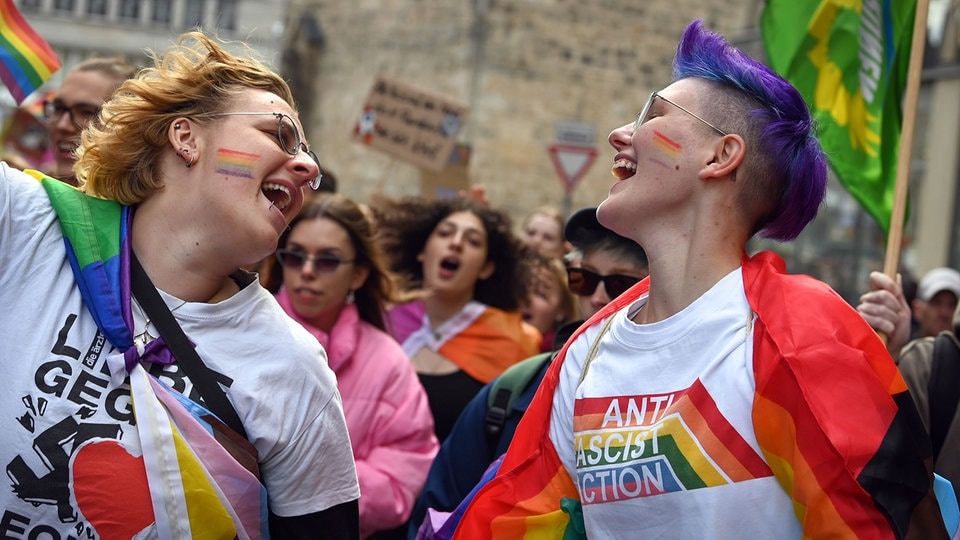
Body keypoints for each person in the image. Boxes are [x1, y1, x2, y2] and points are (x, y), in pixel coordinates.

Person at [448, 20, 947, 539]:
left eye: (652, 114)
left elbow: (880, 525)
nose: (620, 133)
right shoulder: (585, 351)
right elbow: (515, 520)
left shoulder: (805, 332)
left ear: (721, 156)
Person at [0, 31, 360, 538]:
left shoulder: (295, 369)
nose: (308, 167)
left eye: (308, 159)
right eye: (279, 135)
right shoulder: (27, 225)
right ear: (186, 137)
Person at [409, 206, 648, 538]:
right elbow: (439, 505)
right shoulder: (514, 389)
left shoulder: (681, 401)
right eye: (585, 278)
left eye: (620, 284)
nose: (596, 297)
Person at [261, 193, 439, 539]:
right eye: (295, 257)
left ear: (358, 275)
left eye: (327, 261)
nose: (307, 271)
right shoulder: (242, 333)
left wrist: (309, 495)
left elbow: (405, 470)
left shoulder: (388, 362)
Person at [373, 195, 541, 442]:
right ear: (422, 252)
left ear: (486, 268)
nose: (456, 243)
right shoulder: (380, 320)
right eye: (444, 233)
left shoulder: (513, 341)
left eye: (473, 241)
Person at [43, 56, 137, 185]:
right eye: (58, 108)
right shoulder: (28, 196)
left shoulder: (149, 204)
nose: (62, 125)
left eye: (86, 112)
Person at [519, 251, 579, 353]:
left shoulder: (565, 357)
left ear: (562, 310)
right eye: (522, 288)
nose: (526, 299)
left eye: (540, 294)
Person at [913, 267, 960, 340]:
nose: (944, 313)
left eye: (952, 305)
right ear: (918, 309)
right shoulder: (899, 349)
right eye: (936, 303)